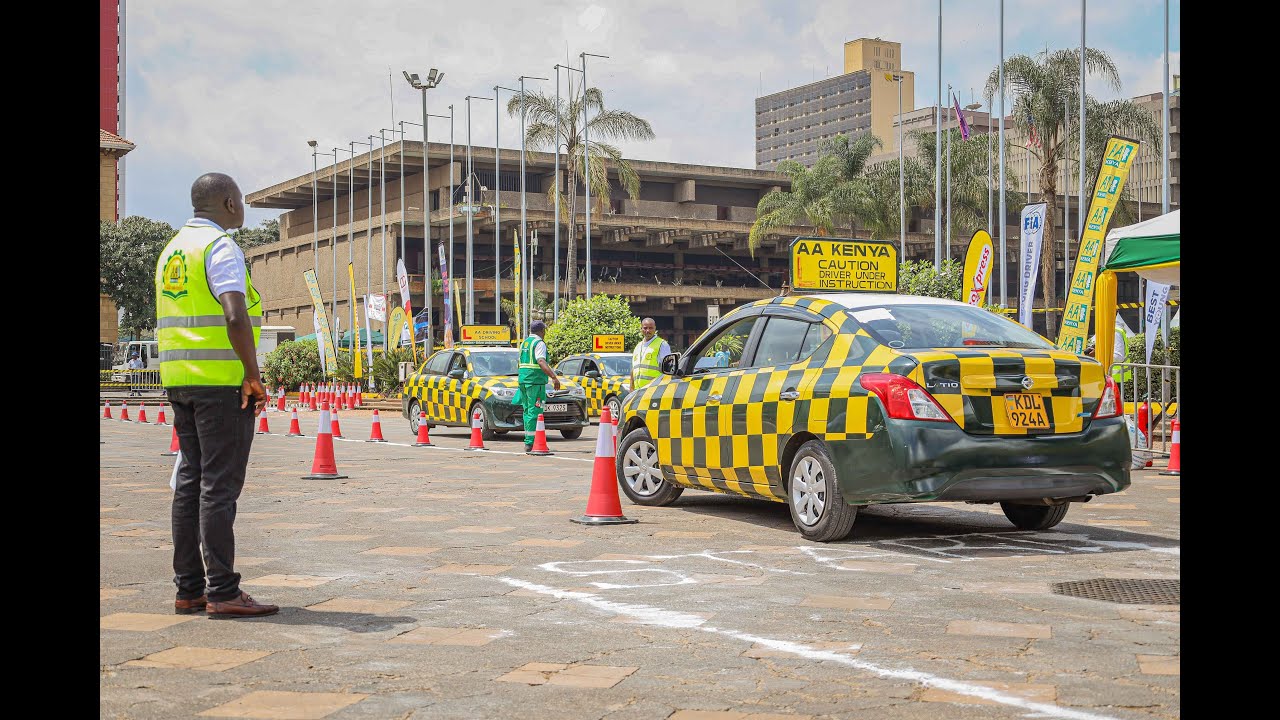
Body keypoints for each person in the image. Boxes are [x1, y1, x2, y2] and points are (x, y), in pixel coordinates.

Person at [154, 172, 277, 618]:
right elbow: (234, 314)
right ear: (227, 203)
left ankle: (189, 589)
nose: (242, 207)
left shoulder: (172, 249)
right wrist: (253, 374)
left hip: (180, 382)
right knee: (218, 488)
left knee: (190, 482)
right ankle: (223, 590)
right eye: (240, 199)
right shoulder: (220, 246)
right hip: (221, 384)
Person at [514, 320, 560, 452]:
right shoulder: (539, 343)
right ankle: (531, 442)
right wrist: (554, 377)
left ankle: (529, 440)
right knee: (535, 411)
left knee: (527, 411)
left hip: (524, 381)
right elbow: (540, 361)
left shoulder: (525, 343)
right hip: (535, 382)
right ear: (542, 331)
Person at [630, 317, 670, 392]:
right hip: (637, 391)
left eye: (650, 328)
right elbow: (633, 369)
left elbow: (668, 370)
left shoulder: (662, 344)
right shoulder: (638, 346)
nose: (648, 330)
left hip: (654, 390)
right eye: (645, 328)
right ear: (641, 329)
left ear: (655, 329)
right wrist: (631, 388)